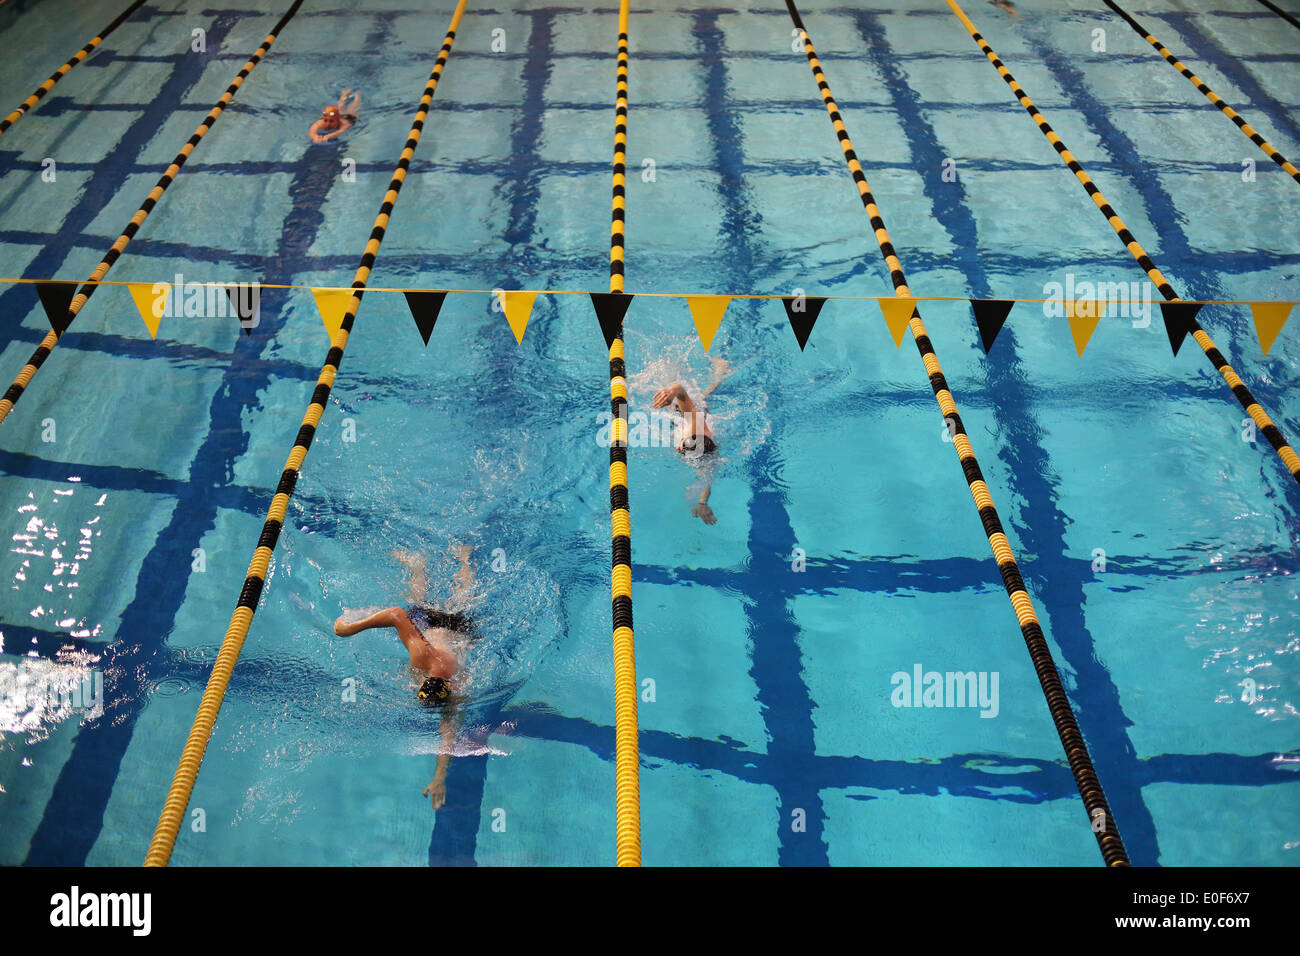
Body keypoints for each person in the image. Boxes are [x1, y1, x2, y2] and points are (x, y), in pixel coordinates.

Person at [333, 545, 477, 809]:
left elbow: (448, 736)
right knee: (451, 602)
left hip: (450, 634)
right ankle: (447, 561)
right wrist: (351, 628)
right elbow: (395, 613)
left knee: (456, 600)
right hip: (444, 626)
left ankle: (447, 562)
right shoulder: (426, 658)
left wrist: (438, 778)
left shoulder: (453, 680)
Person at [651, 357, 730, 524]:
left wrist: (702, 503)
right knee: (683, 399)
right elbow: (681, 390)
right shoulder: (691, 425)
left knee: (705, 396)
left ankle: (721, 372)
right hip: (694, 415)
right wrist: (670, 392)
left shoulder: (708, 455)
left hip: (703, 425)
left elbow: (706, 479)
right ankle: (676, 367)